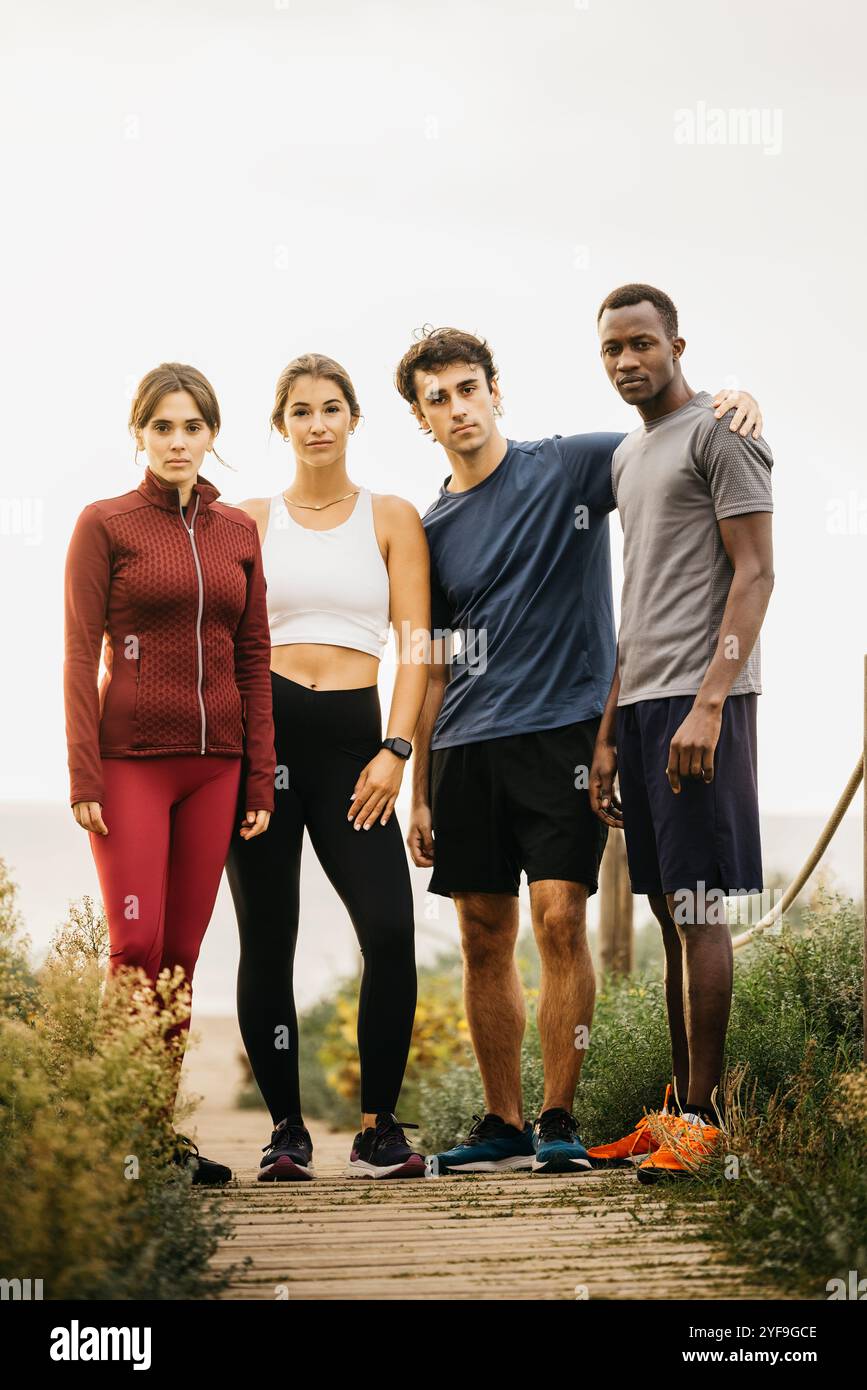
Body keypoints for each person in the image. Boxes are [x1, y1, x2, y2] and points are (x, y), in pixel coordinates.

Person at [395, 326, 762, 1176]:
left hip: (563, 734)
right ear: (421, 418)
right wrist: (418, 785)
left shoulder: (567, 466)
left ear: (495, 389)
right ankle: (501, 1122)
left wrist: (730, 397)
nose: (457, 408)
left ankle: (557, 1118)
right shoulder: (429, 527)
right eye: (437, 398)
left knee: (560, 919)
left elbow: (666, 430)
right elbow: (434, 662)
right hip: (463, 746)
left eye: (467, 387)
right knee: (483, 933)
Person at [63, 362, 276, 1185]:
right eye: (163, 427)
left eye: (193, 427)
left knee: (181, 957)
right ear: (139, 435)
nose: (179, 441)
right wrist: (84, 769)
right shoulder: (105, 524)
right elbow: (81, 654)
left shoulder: (237, 534)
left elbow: (253, 658)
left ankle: (153, 1137)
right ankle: (121, 1133)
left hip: (216, 766)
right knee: (136, 943)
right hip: (127, 764)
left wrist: (260, 778)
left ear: (212, 433)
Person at [226, 353, 431, 1181]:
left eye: (332, 407)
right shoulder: (246, 520)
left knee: (388, 932)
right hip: (264, 746)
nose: (317, 422)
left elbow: (416, 645)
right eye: (301, 410)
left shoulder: (391, 517)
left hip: (359, 746)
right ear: (280, 425)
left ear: (353, 419)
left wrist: (397, 749)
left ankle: (378, 1130)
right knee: (267, 940)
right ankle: (285, 1131)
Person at [588, 284, 774, 1182]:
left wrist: (709, 702)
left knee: (700, 912)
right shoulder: (629, 454)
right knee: (669, 914)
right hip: (643, 702)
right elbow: (639, 599)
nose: (626, 361)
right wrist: (609, 730)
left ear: (675, 343)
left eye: (640, 344)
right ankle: (672, 1112)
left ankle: (705, 1122)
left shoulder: (720, 432)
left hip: (707, 703)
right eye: (611, 349)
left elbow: (755, 575)